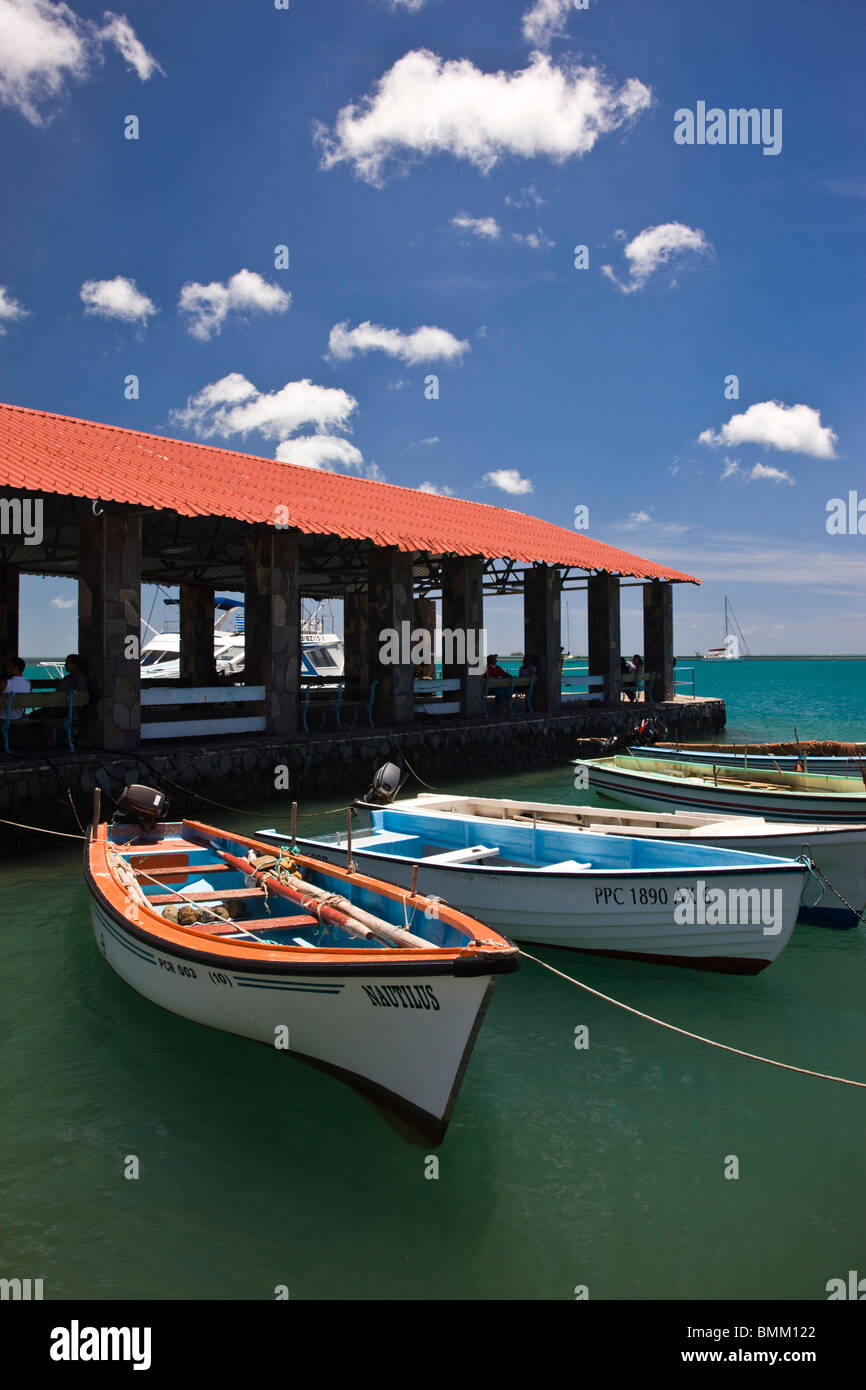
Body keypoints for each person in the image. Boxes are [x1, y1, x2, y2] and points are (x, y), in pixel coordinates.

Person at [1, 655, 32, 720]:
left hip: (3, 717)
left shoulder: (5, 683)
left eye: (8, 666)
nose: (5, 668)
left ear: (16, 668)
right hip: (18, 716)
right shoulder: (29, 684)